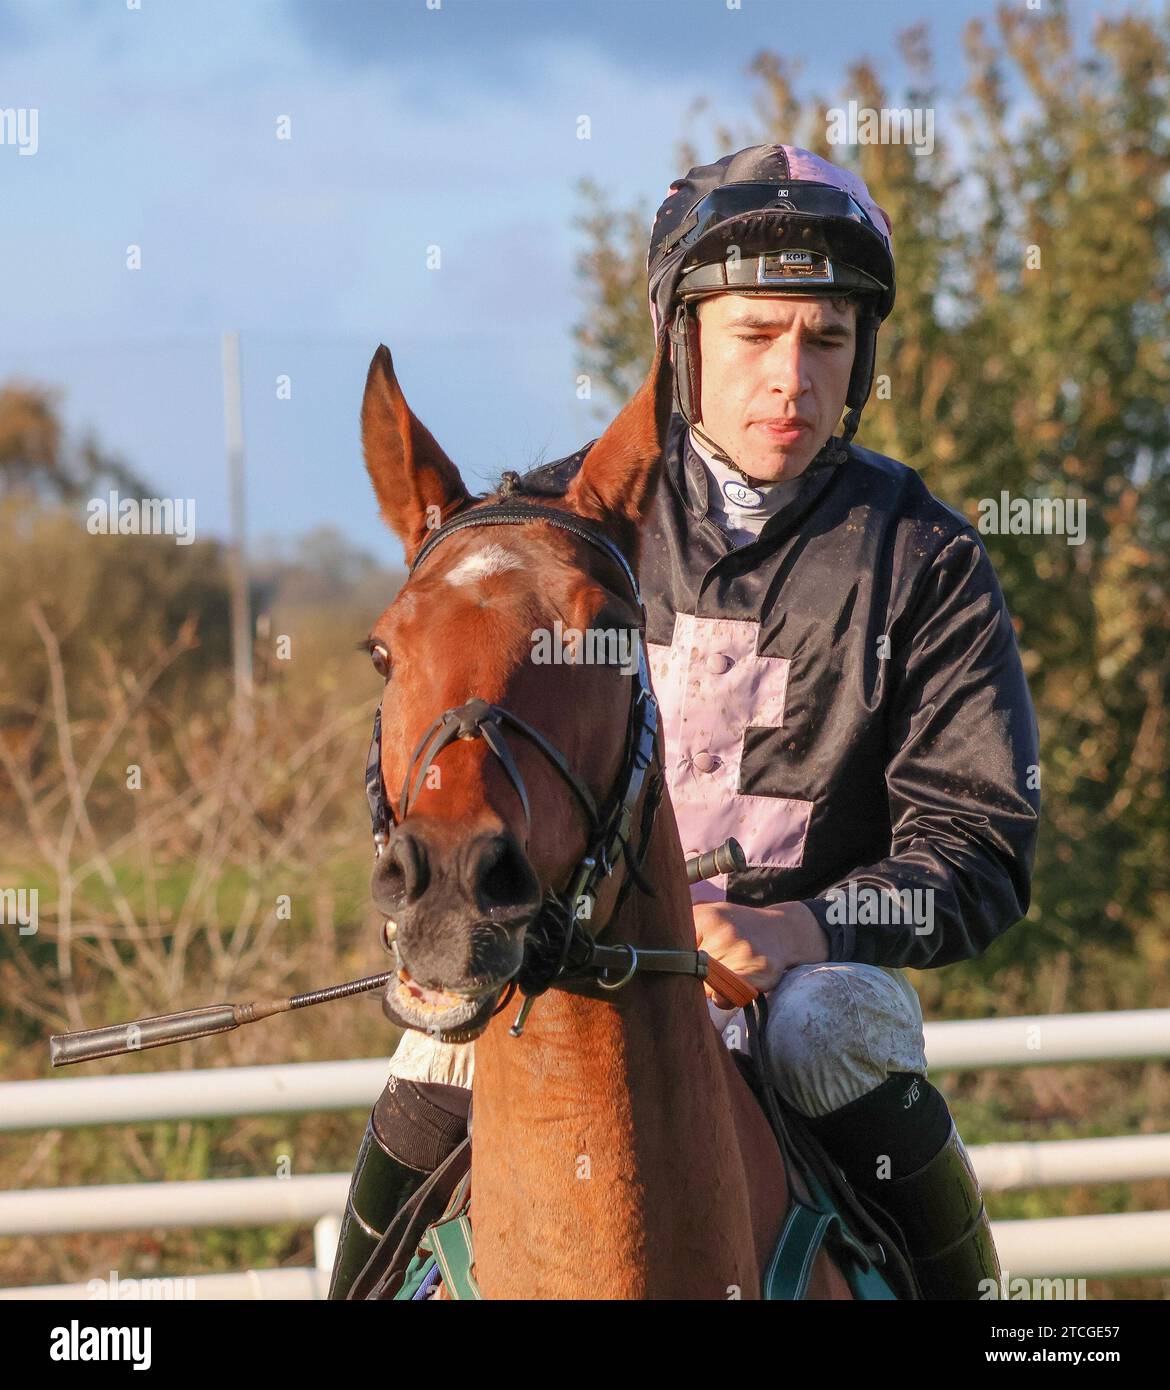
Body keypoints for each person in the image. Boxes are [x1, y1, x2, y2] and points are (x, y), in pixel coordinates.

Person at [329, 143, 1041, 1300]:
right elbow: (437, 734)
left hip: (810, 982)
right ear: (682, 344)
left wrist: (804, 929)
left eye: (827, 340)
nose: (791, 380)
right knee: (430, 1055)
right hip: (569, 960)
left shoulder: (926, 556)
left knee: (828, 1029)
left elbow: (982, 847)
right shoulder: (554, 535)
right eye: (756, 335)